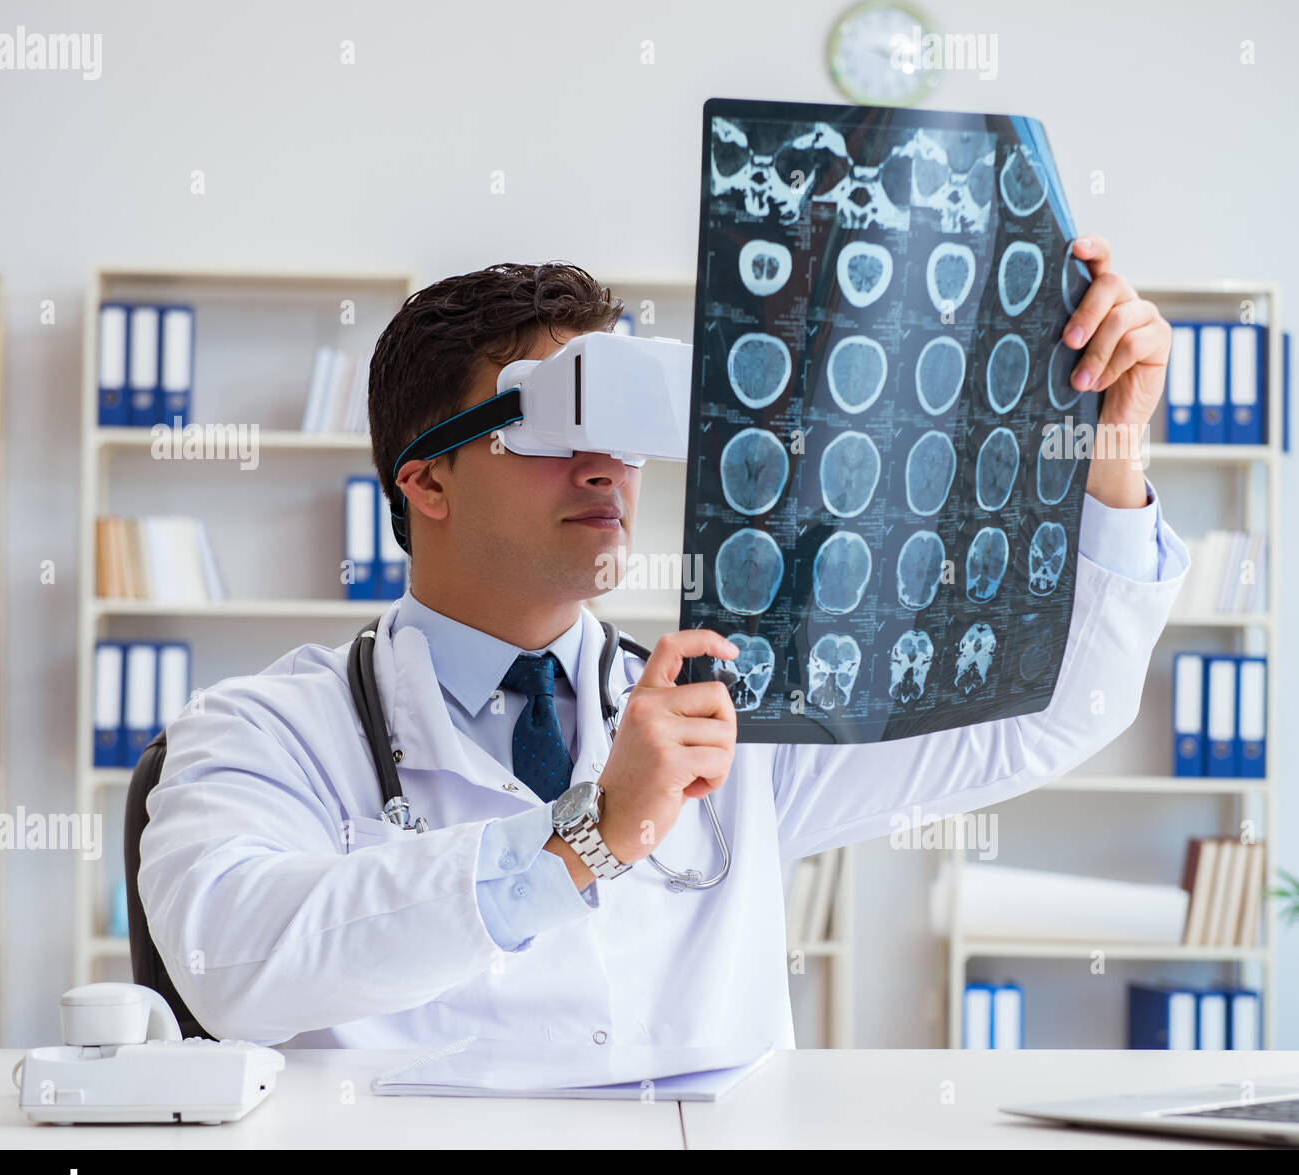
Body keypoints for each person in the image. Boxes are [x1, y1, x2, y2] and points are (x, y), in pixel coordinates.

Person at [139, 242, 1189, 1049]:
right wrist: (587, 839)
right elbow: (230, 957)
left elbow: (1046, 719)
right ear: (426, 481)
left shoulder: (727, 704)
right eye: (551, 425)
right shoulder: (266, 730)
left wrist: (1104, 455)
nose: (607, 467)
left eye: (625, 419)